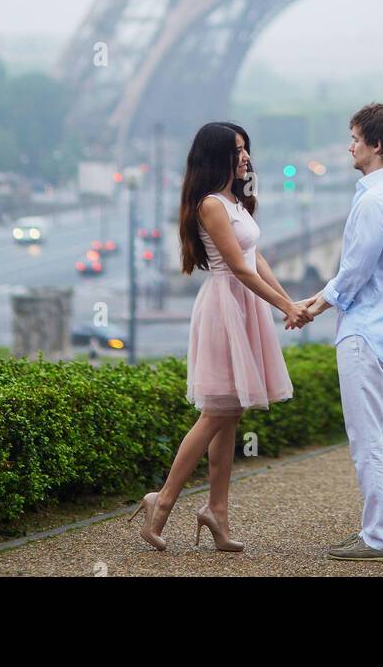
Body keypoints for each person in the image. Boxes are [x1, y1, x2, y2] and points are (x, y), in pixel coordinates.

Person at [129, 121, 308, 552]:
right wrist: (285, 307)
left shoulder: (235, 201)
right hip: (225, 306)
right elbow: (240, 268)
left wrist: (290, 302)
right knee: (215, 413)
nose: (245, 157)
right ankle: (164, 500)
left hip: (242, 306)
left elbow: (255, 256)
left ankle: (217, 512)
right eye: (237, 150)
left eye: (246, 149)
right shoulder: (210, 204)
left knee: (231, 413)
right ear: (216, 157)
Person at [295, 102, 383, 562]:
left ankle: (380, 539)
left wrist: (312, 306)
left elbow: (353, 274)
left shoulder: (372, 202)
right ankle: (378, 532)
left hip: (364, 335)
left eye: (354, 137)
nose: (349, 145)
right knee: (380, 439)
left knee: (366, 441)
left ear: (376, 144)